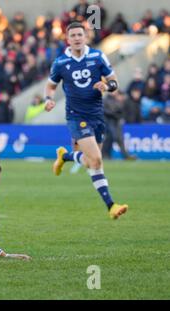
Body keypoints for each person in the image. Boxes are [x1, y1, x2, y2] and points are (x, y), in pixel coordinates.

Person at [44, 22, 128, 219]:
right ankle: (111, 206)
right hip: (76, 115)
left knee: (92, 163)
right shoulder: (61, 62)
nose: (76, 38)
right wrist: (48, 99)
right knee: (97, 159)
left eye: (79, 34)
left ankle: (64, 157)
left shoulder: (97, 56)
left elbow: (114, 82)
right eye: (72, 35)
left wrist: (107, 87)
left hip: (97, 115)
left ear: (85, 36)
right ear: (68, 39)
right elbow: (50, 86)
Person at [102, 91, 136, 160]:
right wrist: (114, 114)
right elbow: (104, 111)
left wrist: (117, 113)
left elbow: (122, 110)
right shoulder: (105, 100)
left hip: (116, 122)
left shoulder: (117, 100)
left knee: (119, 139)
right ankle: (105, 154)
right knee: (110, 138)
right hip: (108, 122)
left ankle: (125, 155)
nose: (114, 92)